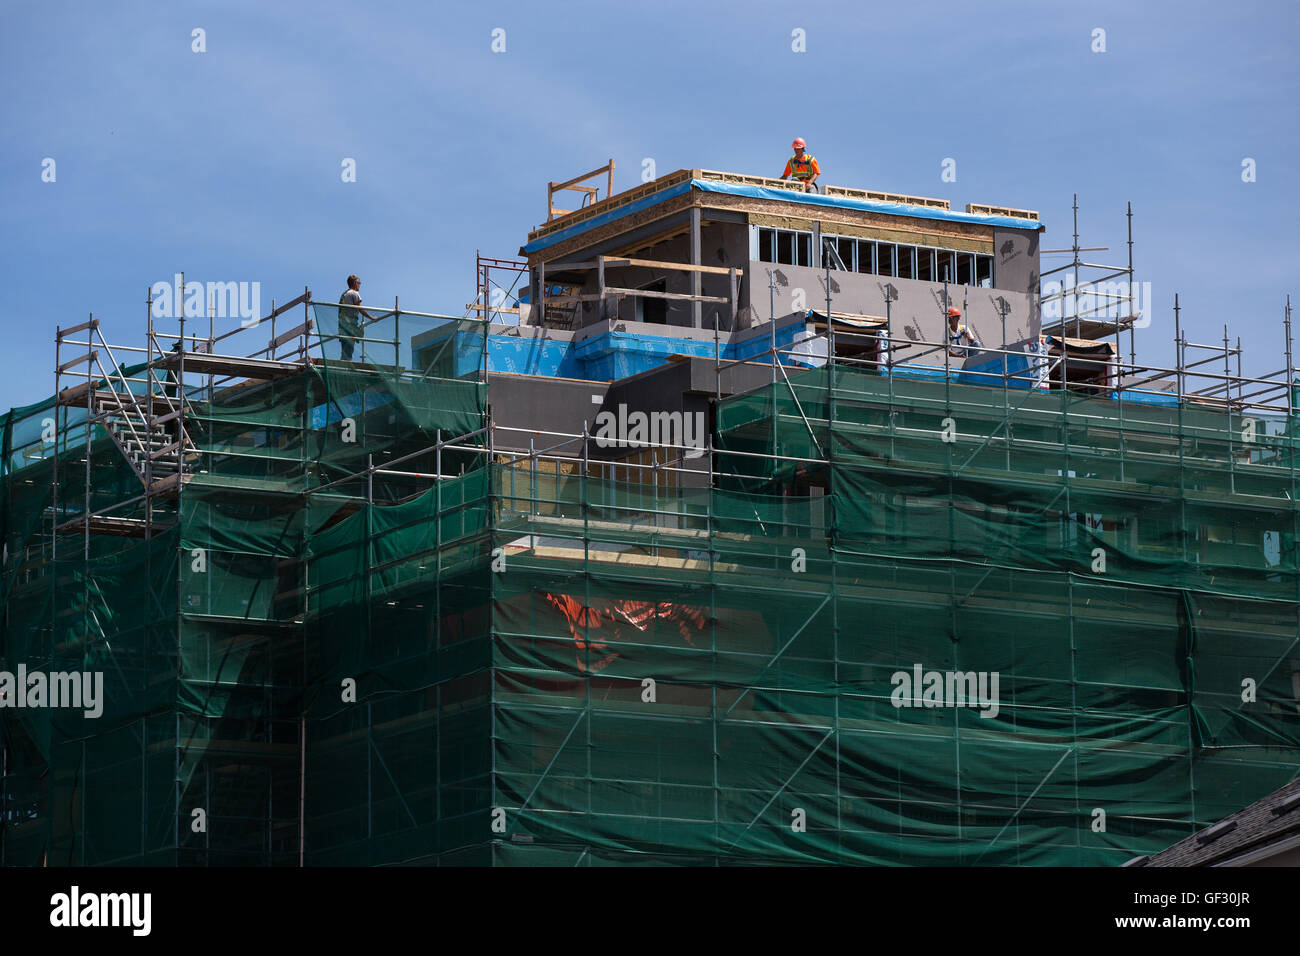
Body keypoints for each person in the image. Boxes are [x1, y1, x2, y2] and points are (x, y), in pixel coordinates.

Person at [338, 275, 375, 362]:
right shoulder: (354, 294)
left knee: (345, 350)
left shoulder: (344, 294)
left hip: (342, 325)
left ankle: (343, 365)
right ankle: (346, 367)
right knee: (349, 349)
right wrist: (371, 317)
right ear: (355, 283)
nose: (360, 285)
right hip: (350, 325)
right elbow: (360, 309)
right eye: (359, 283)